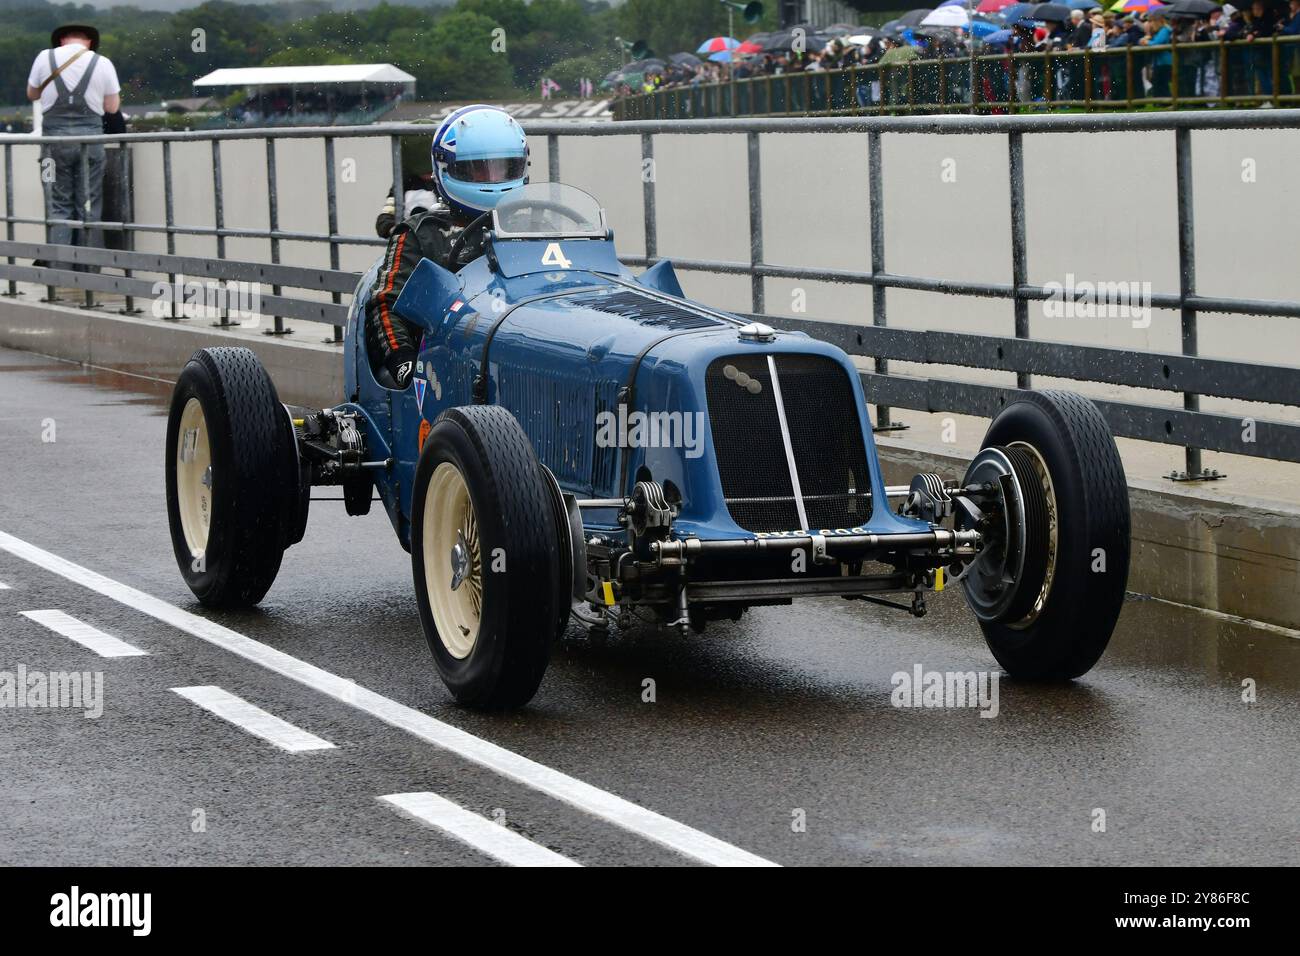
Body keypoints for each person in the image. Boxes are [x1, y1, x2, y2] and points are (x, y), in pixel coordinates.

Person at [364, 105, 528, 390]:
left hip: (516, 351)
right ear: (448, 168)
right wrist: (405, 364)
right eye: (479, 169)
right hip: (443, 368)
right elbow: (385, 305)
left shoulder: (531, 227)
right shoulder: (419, 233)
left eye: (503, 168)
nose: (492, 178)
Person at [25, 24, 121, 263]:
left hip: (54, 143)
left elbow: (32, 94)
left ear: (61, 41)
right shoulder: (103, 62)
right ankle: (88, 270)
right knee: (88, 204)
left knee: (58, 205)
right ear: (88, 41)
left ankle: (60, 268)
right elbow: (112, 108)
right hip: (90, 141)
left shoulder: (43, 57)